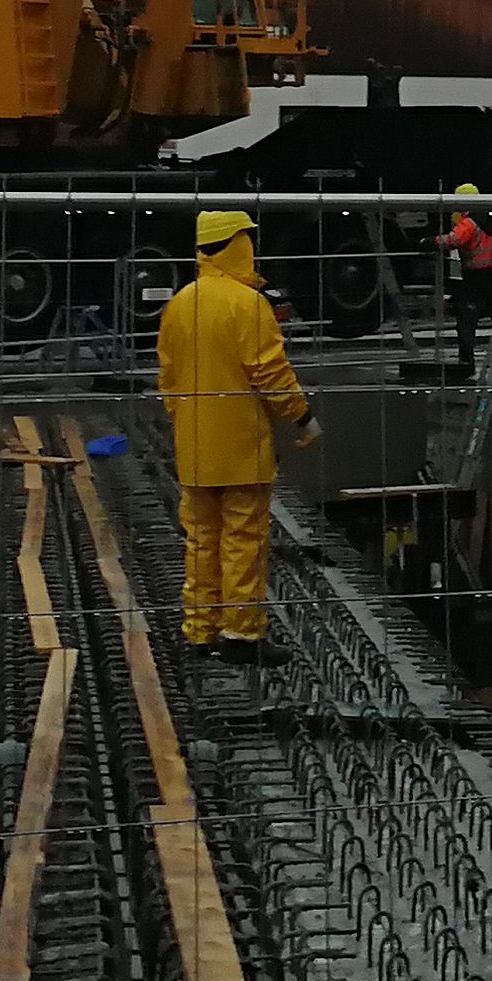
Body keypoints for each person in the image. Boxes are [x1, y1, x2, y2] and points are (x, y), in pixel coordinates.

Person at [156, 207, 317, 663]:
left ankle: (200, 629)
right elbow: (269, 371)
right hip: (242, 447)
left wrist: (186, 422)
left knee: (201, 540)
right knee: (243, 539)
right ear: (236, 245)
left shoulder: (179, 303)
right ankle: (242, 634)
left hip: (195, 446)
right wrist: (301, 416)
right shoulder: (248, 304)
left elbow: (167, 378)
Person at [440, 190, 492, 377]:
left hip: (474, 280)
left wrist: (430, 241)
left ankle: (466, 361)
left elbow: (452, 241)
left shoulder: (469, 223)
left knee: (466, 322)